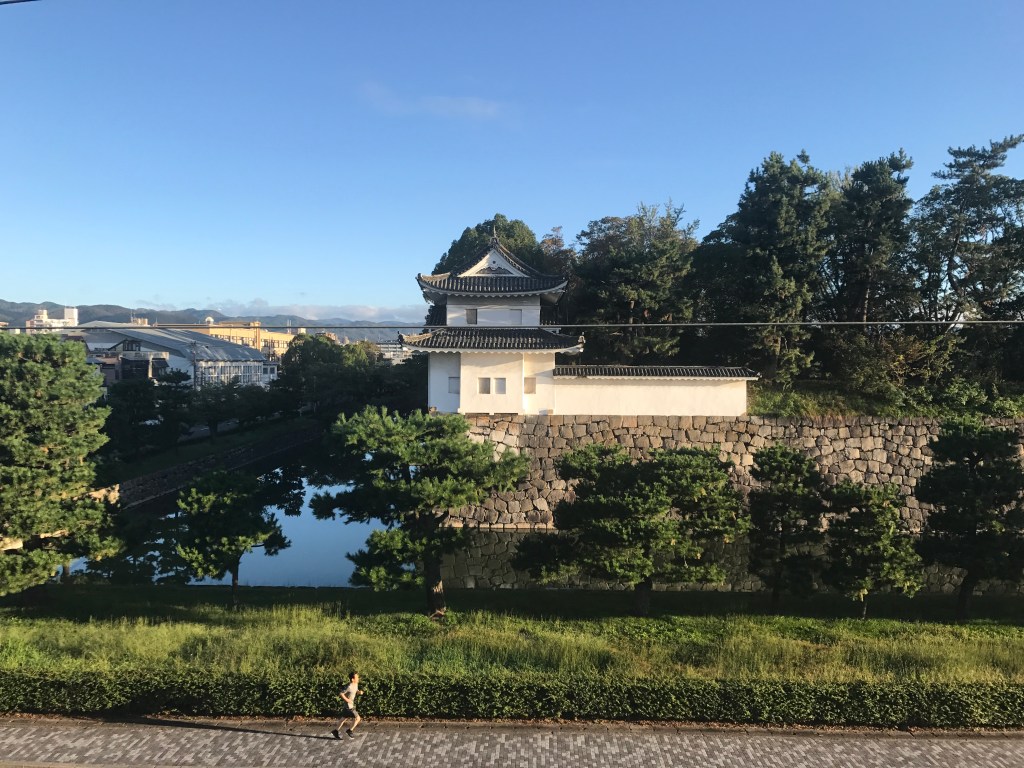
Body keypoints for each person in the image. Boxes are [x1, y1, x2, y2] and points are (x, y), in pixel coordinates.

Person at [331, 671, 364, 740]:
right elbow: (341, 694)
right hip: (349, 707)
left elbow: (355, 691)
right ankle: (349, 731)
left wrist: (359, 692)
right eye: (357, 677)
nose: (358, 678)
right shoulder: (349, 686)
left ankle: (335, 731)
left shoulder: (356, 684)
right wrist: (347, 700)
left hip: (348, 706)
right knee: (358, 718)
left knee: (343, 719)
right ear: (352, 679)